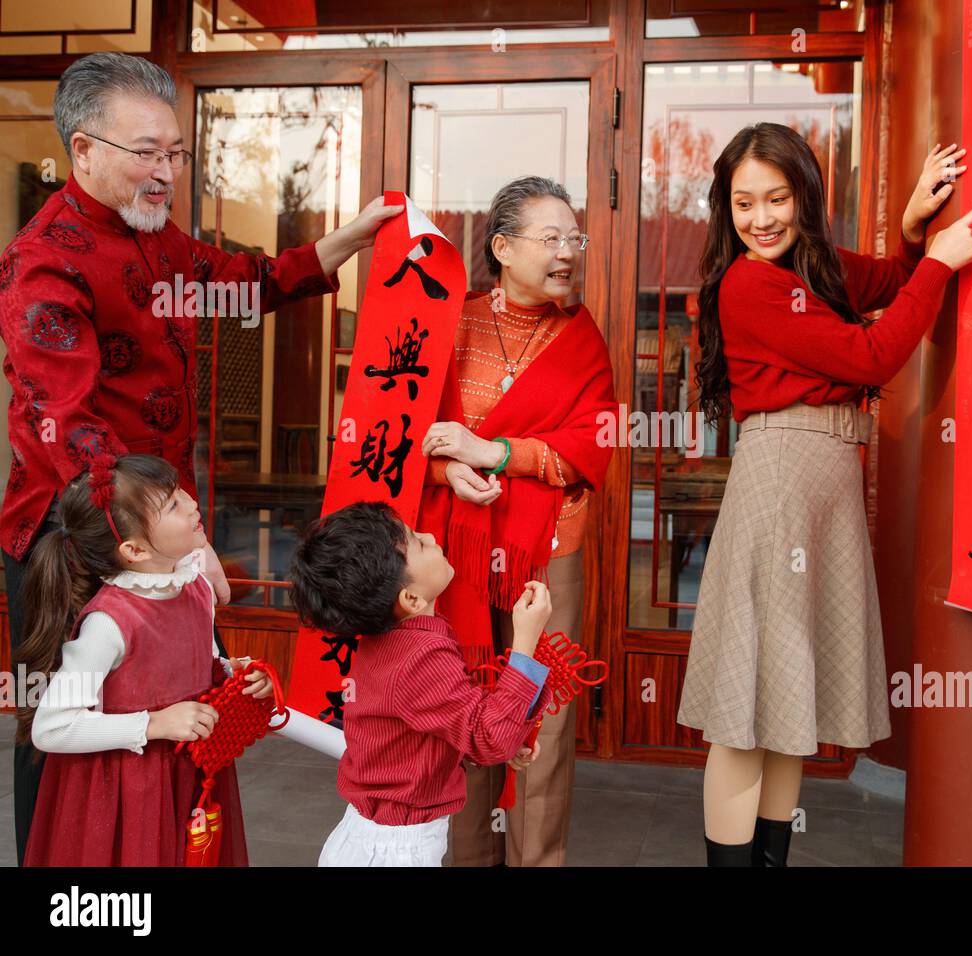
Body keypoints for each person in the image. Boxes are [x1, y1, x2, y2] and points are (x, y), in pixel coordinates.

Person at [0, 51, 399, 863]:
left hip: (155, 526)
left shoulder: (158, 239)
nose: (166, 171)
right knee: (64, 732)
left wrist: (349, 241)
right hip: (74, 534)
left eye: (176, 153)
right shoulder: (47, 260)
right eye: (145, 151)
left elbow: (243, 281)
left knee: (164, 720)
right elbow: (71, 429)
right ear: (82, 151)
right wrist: (180, 542)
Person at [676, 122, 972, 865]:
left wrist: (915, 232)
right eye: (744, 203)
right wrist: (940, 266)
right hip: (782, 475)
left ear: (804, 197)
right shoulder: (750, 284)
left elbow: (884, 283)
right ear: (727, 209)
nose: (761, 219)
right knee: (747, 707)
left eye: (777, 198)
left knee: (787, 699)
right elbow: (876, 353)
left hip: (824, 479)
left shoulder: (809, 268)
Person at [416, 176, 616, 867]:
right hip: (458, 547)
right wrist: (447, 470)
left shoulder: (581, 338)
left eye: (574, 238)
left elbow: (596, 442)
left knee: (546, 716)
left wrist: (495, 451)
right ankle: (468, 859)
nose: (568, 253)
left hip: (548, 546)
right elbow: (401, 431)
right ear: (502, 247)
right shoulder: (449, 321)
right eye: (551, 238)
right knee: (465, 702)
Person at [18, 454, 273, 866]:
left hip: (189, 775)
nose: (192, 503)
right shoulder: (109, 623)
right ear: (133, 549)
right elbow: (52, 726)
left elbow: (195, 666)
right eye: (172, 504)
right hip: (126, 789)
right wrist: (154, 723)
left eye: (180, 493)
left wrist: (233, 675)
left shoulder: (197, 590)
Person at [289, 501, 553, 867]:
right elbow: (487, 737)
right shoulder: (420, 657)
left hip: (378, 838)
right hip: (394, 850)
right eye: (419, 543)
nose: (431, 536)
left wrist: (507, 735)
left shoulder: (399, 639)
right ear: (410, 598)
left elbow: (450, 722)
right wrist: (525, 641)